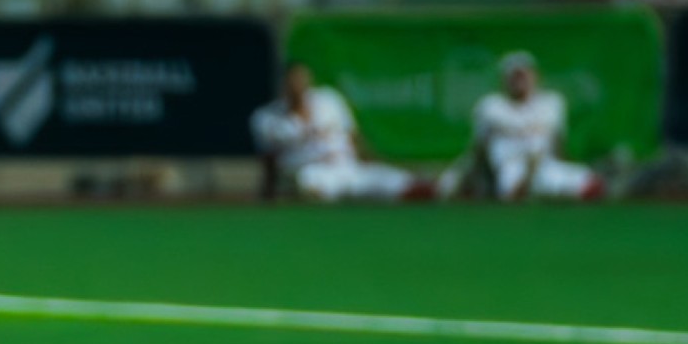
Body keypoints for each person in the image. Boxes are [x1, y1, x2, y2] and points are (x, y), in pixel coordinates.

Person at [251, 61, 431, 201]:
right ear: (283, 83)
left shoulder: (329, 100)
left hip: (348, 168)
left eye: (302, 78)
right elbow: (268, 159)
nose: (298, 84)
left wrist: (368, 158)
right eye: (292, 80)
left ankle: (443, 188)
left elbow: (353, 136)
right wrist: (269, 192)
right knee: (308, 184)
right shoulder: (267, 118)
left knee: (398, 182)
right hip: (313, 173)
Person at [461, 51, 604, 201]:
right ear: (504, 79)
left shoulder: (552, 103)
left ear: (535, 75)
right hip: (510, 165)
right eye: (514, 76)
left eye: (523, 74)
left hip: (545, 164)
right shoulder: (490, 106)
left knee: (583, 178)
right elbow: (479, 148)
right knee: (513, 184)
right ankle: (528, 187)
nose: (519, 80)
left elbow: (558, 144)